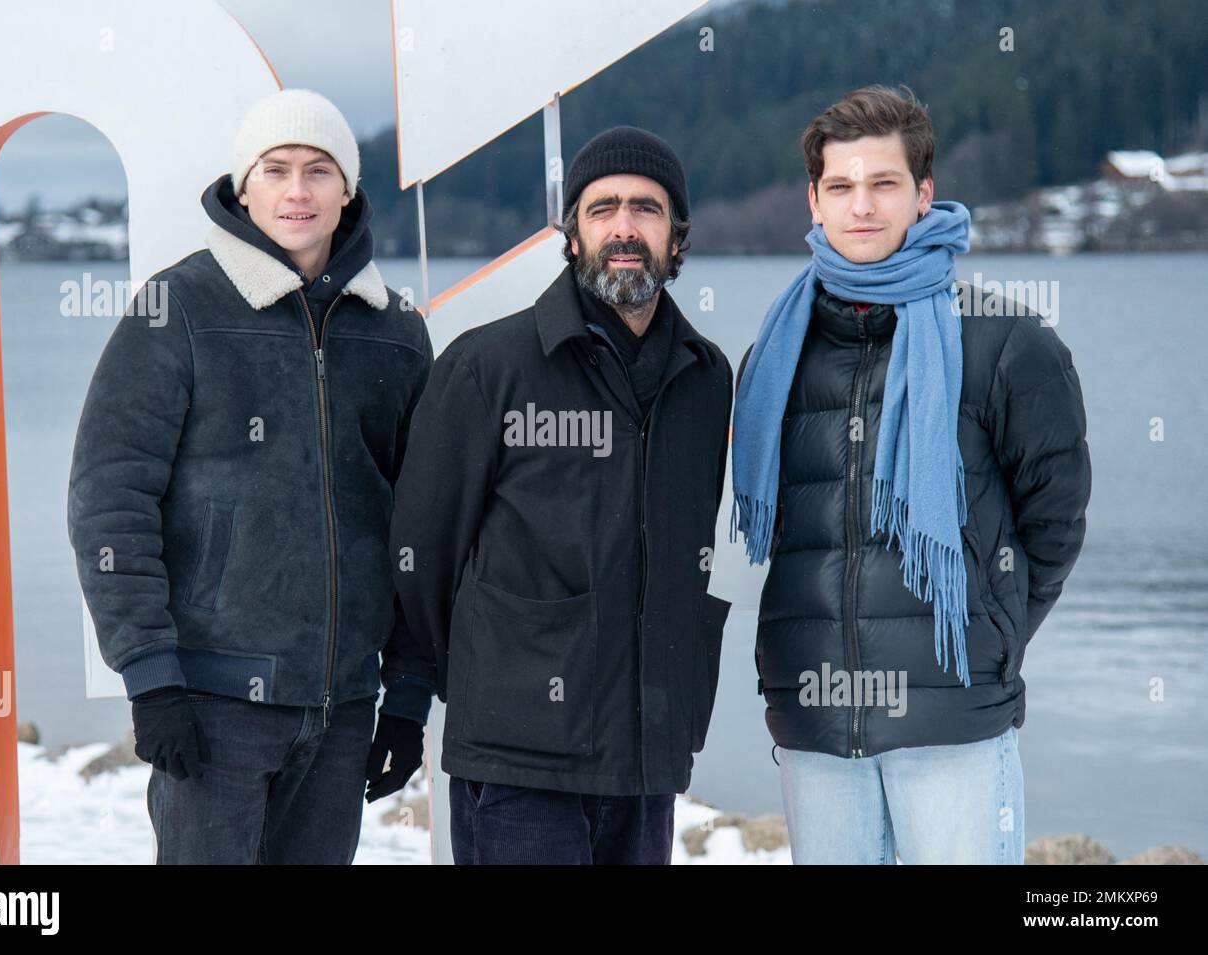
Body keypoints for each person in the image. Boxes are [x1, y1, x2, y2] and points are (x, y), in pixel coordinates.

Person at [68, 89, 435, 864]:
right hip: (211, 705)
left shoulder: (397, 332)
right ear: (245, 187)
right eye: (276, 170)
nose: (297, 190)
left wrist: (405, 696)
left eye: (317, 170)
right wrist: (151, 673)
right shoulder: (179, 308)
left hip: (342, 712)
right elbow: (109, 499)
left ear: (348, 190)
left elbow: (419, 527)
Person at [730, 85, 1091, 864]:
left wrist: (990, 637)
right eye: (842, 186)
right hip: (816, 722)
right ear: (815, 201)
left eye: (883, 183)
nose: (862, 205)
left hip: (954, 722)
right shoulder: (775, 356)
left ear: (924, 195)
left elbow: (1055, 521)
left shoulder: (1003, 343)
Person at [390, 127, 733, 864]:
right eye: (601, 207)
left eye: (647, 208)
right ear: (570, 234)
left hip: (648, 759)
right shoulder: (488, 369)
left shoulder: (707, 379)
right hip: (521, 768)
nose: (624, 227)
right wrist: (444, 686)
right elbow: (422, 553)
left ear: (679, 237)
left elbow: (686, 550)